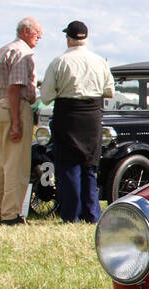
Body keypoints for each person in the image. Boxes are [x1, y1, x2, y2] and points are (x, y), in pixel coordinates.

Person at [40, 21, 114, 223]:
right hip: (92, 116)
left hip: (68, 115)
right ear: (86, 38)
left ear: (68, 38)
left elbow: (46, 96)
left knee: (69, 166)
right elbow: (110, 91)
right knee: (90, 166)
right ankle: (91, 213)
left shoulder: (60, 61)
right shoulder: (100, 61)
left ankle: (71, 215)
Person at [0, 17, 42, 225]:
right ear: (26, 31)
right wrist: (16, 121)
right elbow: (15, 87)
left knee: (2, 163)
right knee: (16, 165)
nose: (39, 37)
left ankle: (2, 210)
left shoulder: (4, 49)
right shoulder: (23, 53)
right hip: (13, 107)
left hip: (1, 106)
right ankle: (11, 214)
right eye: (36, 34)